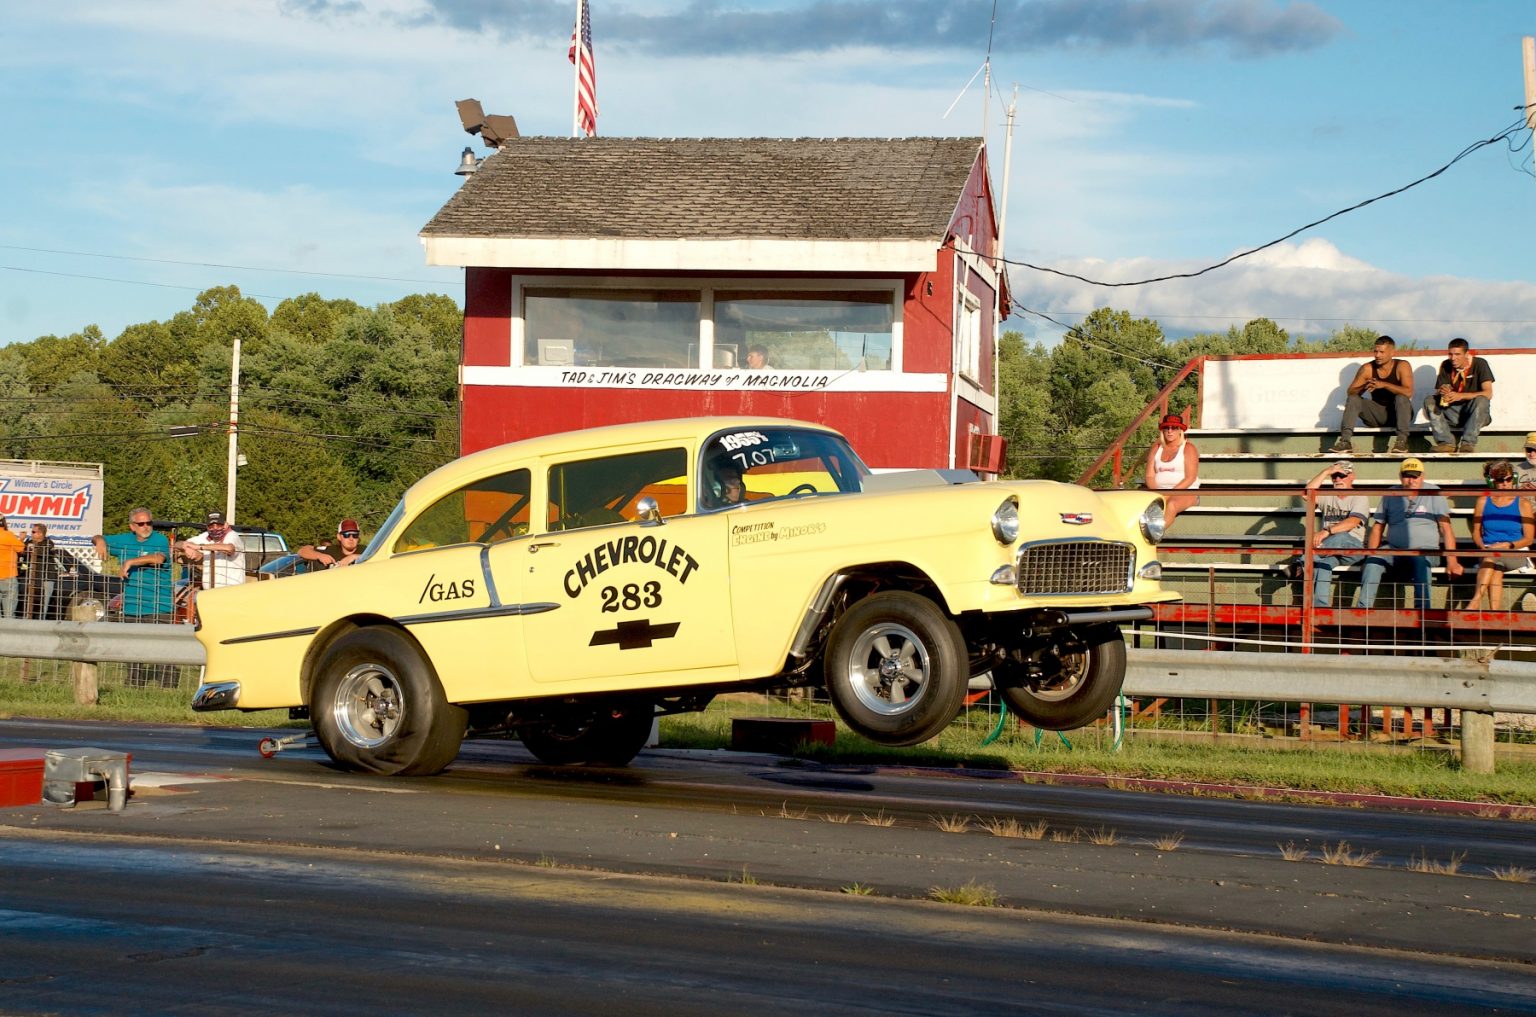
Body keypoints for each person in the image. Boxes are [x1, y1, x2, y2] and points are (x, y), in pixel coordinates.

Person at [1356, 458, 1461, 609]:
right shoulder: (1390, 494)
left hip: (1426, 550)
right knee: (1373, 562)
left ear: (1422, 476)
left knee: (1420, 559)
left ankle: (1423, 614)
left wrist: (1452, 561)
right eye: (1407, 476)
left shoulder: (1433, 492)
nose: (1411, 480)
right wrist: (1370, 555)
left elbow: (1446, 528)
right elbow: (1378, 527)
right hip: (1394, 549)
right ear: (1400, 476)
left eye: (1415, 476)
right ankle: (1362, 610)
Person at [94, 508, 175, 686]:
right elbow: (99, 537)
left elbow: (159, 558)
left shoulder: (159, 539)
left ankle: (168, 688)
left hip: (159, 604)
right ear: (132, 526)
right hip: (132, 603)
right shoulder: (124, 540)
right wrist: (99, 541)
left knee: (163, 649)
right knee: (132, 648)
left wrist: (130, 561)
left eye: (149, 523)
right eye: (141, 524)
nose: (146, 527)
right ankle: (133, 685)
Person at [1465, 461, 1534, 611]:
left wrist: (1507, 545)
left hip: (1514, 551)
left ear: (1513, 479)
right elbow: (1476, 532)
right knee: (1495, 569)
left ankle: (1474, 603)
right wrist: (1482, 547)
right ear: (1492, 482)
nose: (1505, 484)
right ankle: (1495, 613)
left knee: (1491, 558)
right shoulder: (1483, 501)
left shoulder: (1523, 504)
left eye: (1508, 480)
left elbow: (1528, 538)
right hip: (1490, 550)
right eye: (1500, 481)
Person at [1328, 335, 1413, 456]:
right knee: (1353, 398)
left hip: (1399, 414)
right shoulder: (1367, 368)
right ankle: (1345, 441)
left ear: (1392, 352)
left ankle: (1401, 442)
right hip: (1377, 415)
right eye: (1376, 351)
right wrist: (1364, 386)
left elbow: (1408, 392)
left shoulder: (1402, 366)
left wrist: (1384, 384)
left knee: (1401, 398)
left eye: (1382, 352)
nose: (1377, 355)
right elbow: (1350, 392)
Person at [1304, 462, 1368, 608]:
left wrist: (1327, 531)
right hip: (1329, 551)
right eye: (1334, 477)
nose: (1338, 480)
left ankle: (1302, 562)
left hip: (1354, 549)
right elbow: (1307, 494)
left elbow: (1352, 522)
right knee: (1323, 564)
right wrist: (1326, 471)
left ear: (1352, 477)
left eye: (1342, 476)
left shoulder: (1360, 497)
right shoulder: (1327, 496)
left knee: (1340, 537)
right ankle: (1321, 608)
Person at [1425, 338, 1494, 453]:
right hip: (1453, 414)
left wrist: (1460, 396)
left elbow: (1488, 393)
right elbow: (1440, 390)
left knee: (1482, 400)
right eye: (1450, 354)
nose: (1453, 358)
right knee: (1430, 400)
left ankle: (1468, 443)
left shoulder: (1480, 363)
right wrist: (1443, 391)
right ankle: (1446, 443)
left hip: (1475, 414)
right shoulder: (1446, 365)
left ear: (1467, 354)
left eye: (1457, 354)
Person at [1143, 413, 1199, 527]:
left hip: (1186, 492)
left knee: (1171, 504)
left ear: (1180, 430)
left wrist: (1168, 494)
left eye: (1174, 428)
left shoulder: (1188, 448)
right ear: (1162, 431)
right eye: (1166, 428)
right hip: (1160, 491)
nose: (1170, 431)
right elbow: (1149, 476)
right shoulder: (1156, 448)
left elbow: (1190, 478)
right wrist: (1158, 493)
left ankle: (1154, 535)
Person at [178, 511, 247, 592]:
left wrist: (199, 547)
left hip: (231, 591)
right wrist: (186, 547)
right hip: (210, 591)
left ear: (225, 524)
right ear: (207, 527)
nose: (215, 528)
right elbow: (177, 544)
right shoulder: (205, 536)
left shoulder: (232, 536)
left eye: (218, 525)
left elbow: (229, 548)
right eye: (211, 526)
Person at [20, 523, 69, 620]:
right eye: (32, 532)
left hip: (47, 577)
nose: (32, 534)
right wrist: (22, 542)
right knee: (29, 600)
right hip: (31, 577)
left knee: (44, 602)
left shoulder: (48, 543)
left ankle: (40, 621)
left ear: (40, 534)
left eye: (34, 532)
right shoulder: (29, 542)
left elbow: (45, 552)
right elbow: (21, 553)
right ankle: (27, 619)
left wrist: (34, 549)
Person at [299, 519, 364, 569]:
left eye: (355, 535)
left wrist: (354, 557)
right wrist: (319, 556)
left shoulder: (366, 550)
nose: (351, 538)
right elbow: (302, 550)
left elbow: (373, 558)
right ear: (339, 537)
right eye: (346, 535)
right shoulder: (331, 550)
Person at [0, 515, 22, 619]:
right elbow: (21, 549)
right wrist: (21, 539)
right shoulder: (8, 535)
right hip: (8, 576)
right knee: (9, 614)